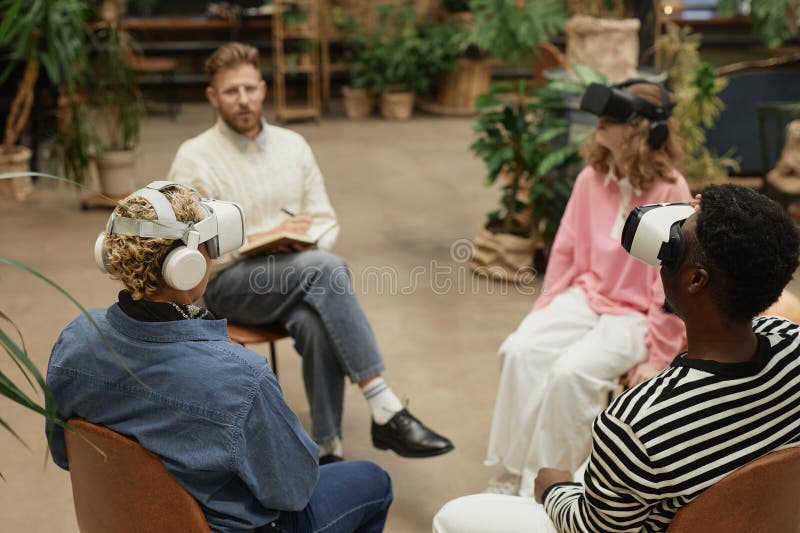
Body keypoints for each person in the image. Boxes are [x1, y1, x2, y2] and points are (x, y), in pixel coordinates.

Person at [434, 183, 800, 532]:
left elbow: (593, 528)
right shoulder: (792, 345)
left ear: (695, 281)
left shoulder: (635, 422)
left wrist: (553, 490)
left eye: (674, 241)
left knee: (453, 516)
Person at [46, 183, 393, 533]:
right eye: (208, 247)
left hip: (127, 520)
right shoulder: (239, 377)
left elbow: (66, 454)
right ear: (187, 265)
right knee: (373, 482)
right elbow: (294, 490)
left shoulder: (76, 341)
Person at [167, 42, 453, 463]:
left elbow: (324, 218)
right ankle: (384, 405)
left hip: (292, 275)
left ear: (264, 89)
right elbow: (188, 245)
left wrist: (298, 241)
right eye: (231, 92)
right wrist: (263, 238)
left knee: (315, 320)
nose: (243, 100)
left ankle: (327, 447)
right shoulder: (195, 157)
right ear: (212, 96)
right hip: (228, 285)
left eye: (250, 89)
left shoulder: (293, 146)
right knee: (326, 269)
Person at [484, 81, 692, 497]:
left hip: (635, 316)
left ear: (644, 131)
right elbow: (564, 250)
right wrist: (541, 312)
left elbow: (672, 287)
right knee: (519, 350)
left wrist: (659, 357)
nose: (600, 124)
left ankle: (543, 487)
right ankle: (508, 474)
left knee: (570, 374)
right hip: (586, 295)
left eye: (613, 119)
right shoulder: (590, 179)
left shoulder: (671, 191)